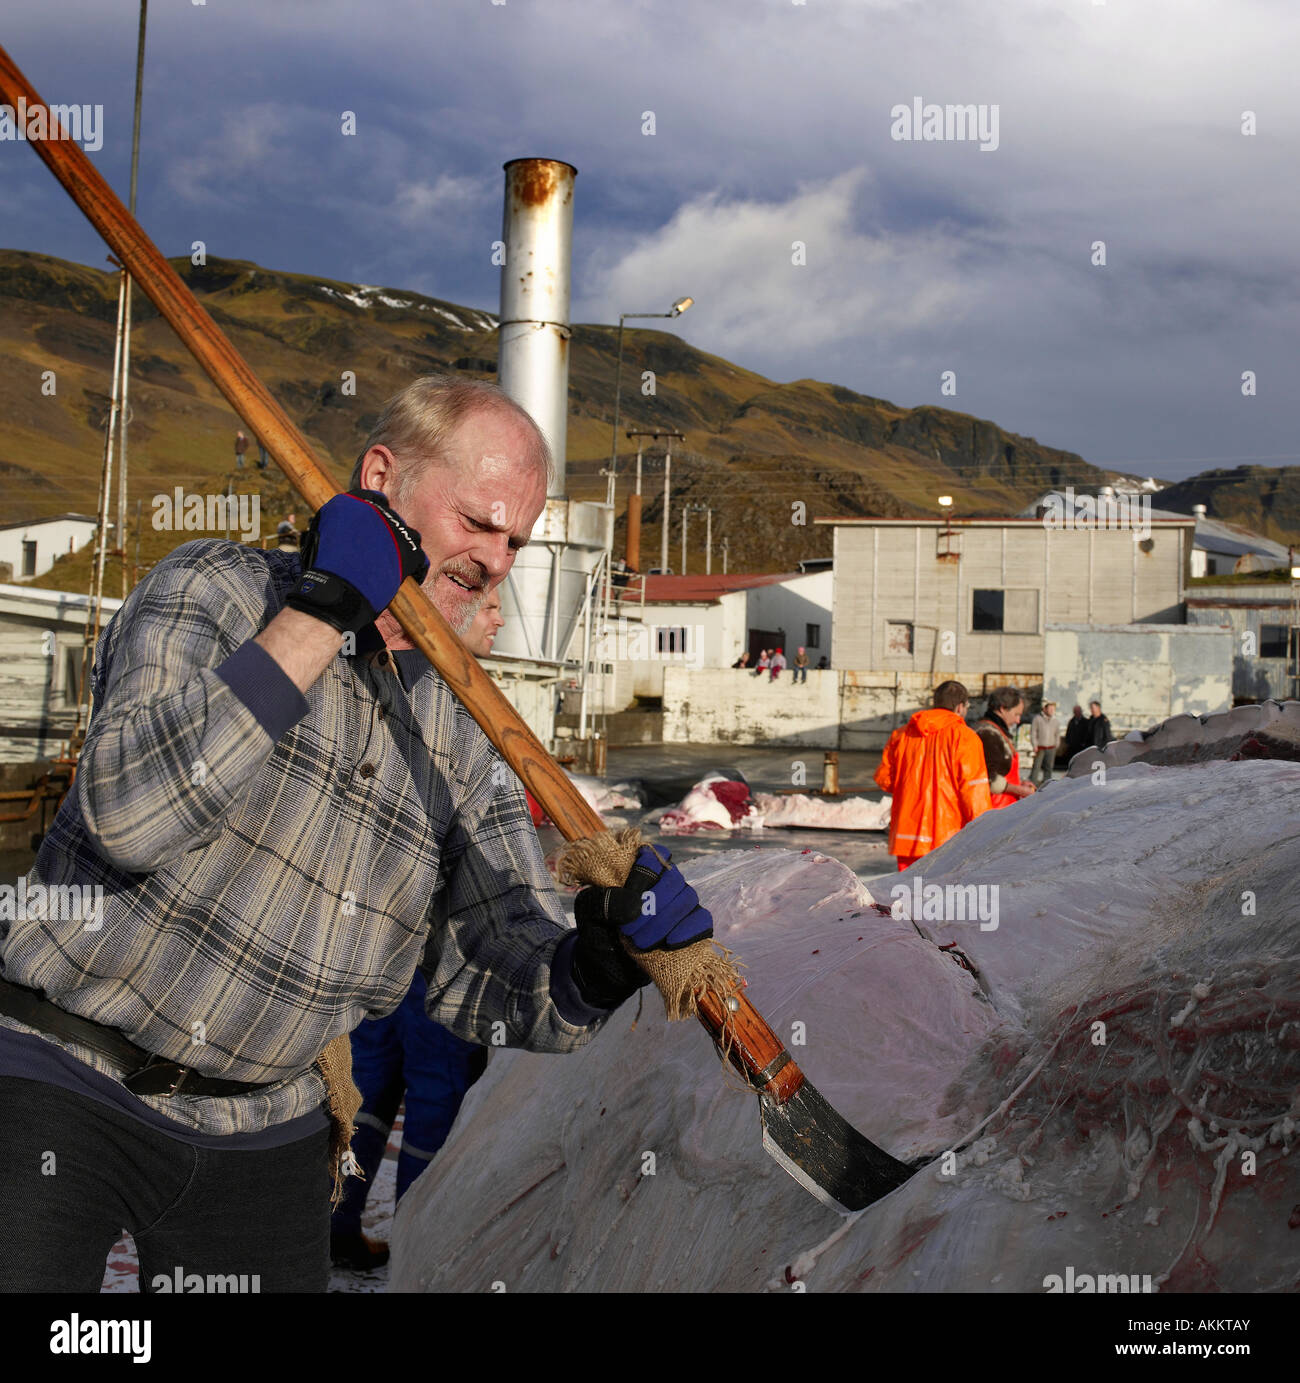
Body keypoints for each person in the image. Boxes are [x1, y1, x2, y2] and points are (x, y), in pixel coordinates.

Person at [0, 374, 715, 1293]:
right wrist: (323, 613)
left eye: (515, 541)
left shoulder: (465, 722)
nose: (496, 560)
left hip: (266, 1125)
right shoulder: (216, 588)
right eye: (477, 521)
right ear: (383, 477)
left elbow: (490, 970)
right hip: (67, 1074)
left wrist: (598, 963)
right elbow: (128, 812)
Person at [330, 586, 506, 1271]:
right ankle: (416, 1247)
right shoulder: (463, 704)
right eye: (488, 606)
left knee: (370, 1084)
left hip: (381, 939)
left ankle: (336, 1220)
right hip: (441, 943)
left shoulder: (386, 684)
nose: (498, 619)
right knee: (438, 1091)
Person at [873, 679, 991, 871]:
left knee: (909, 894)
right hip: (948, 838)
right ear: (960, 707)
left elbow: (884, 779)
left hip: (906, 836)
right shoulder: (965, 737)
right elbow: (974, 794)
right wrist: (985, 833)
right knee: (941, 897)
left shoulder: (901, 735)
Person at [975, 687, 1036, 808]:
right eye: (1016, 714)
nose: (1018, 720)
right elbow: (989, 778)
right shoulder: (988, 734)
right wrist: (1020, 790)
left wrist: (1019, 783)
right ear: (1002, 709)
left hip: (1002, 808)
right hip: (993, 810)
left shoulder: (995, 731)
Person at [1029, 700, 1061, 786]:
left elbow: (1057, 733)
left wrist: (1056, 744)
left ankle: (1047, 784)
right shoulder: (1037, 718)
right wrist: (1034, 745)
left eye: (1053, 709)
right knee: (1036, 766)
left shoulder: (1055, 721)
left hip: (1051, 747)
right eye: (1050, 709)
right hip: (1040, 747)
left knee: (1049, 767)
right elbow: (1033, 732)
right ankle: (1032, 783)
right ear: (1045, 709)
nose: (1052, 711)